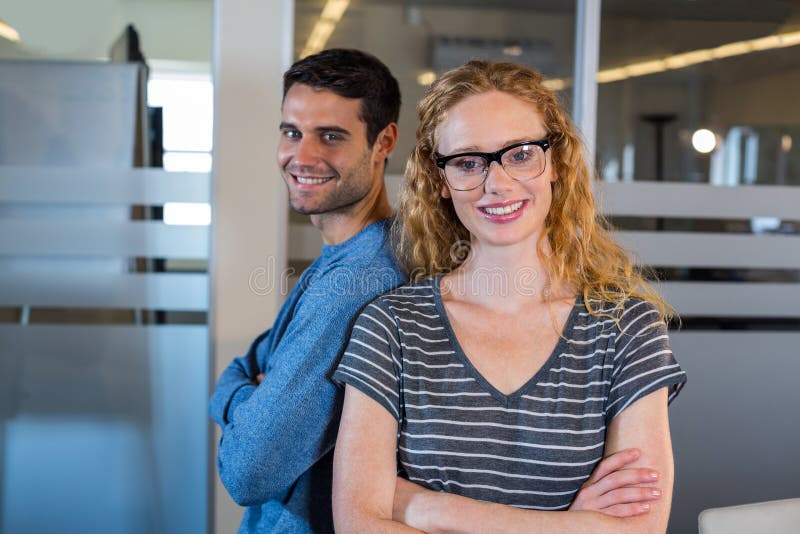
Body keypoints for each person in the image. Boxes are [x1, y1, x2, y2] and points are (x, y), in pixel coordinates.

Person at [331, 59, 687, 533]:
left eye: (520, 154)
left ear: (555, 162)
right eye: (467, 162)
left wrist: (426, 508)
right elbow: (358, 525)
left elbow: (639, 530)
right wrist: (572, 524)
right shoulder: (391, 327)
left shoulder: (626, 327)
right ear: (441, 181)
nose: (496, 183)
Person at [208, 48, 407, 533]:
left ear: (384, 142)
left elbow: (248, 471)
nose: (302, 156)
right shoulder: (353, 253)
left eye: (331, 136)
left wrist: (232, 399)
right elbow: (257, 359)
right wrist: (254, 393)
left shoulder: (359, 282)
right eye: (291, 132)